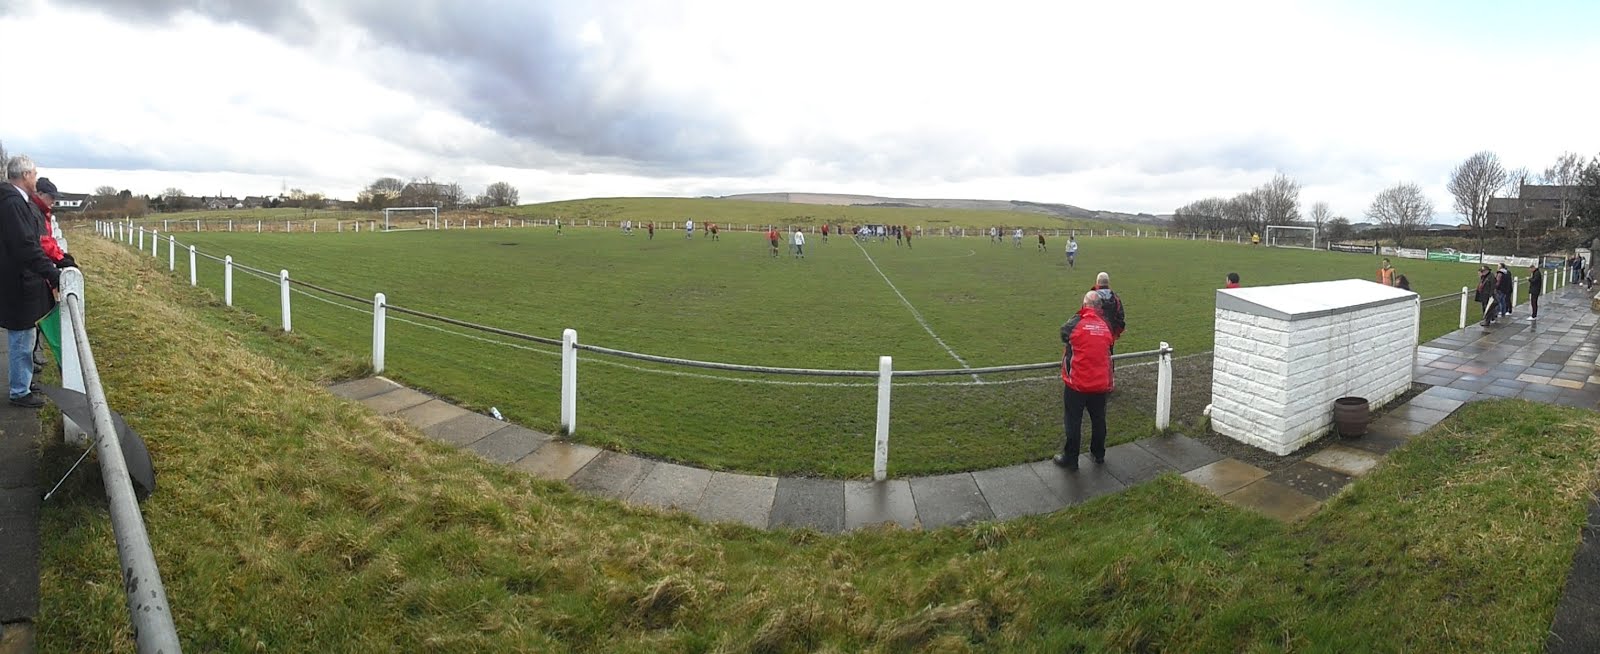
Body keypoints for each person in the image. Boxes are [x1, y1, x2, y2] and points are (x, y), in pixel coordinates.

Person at [1, 156, 63, 408]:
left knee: (24, 334)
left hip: (17, 277)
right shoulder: (13, 203)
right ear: (25, 175)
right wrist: (51, 272)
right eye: (34, 174)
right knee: (22, 335)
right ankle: (19, 390)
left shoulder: (12, 200)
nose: (35, 179)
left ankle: (23, 381)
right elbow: (26, 245)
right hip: (18, 280)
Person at [1053, 291, 1117, 470]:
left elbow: (1063, 333)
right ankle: (1098, 454)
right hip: (1100, 384)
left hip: (1077, 384)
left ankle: (1071, 459)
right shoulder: (1106, 325)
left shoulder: (1075, 323)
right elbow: (1110, 341)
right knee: (1098, 420)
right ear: (1099, 308)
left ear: (1084, 305)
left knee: (1073, 421)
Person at [1090, 272, 1125, 341]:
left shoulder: (1091, 297)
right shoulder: (1115, 297)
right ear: (1108, 282)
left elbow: (1084, 314)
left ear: (1097, 282)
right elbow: (1120, 315)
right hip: (1110, 332)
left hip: (1095, 331)